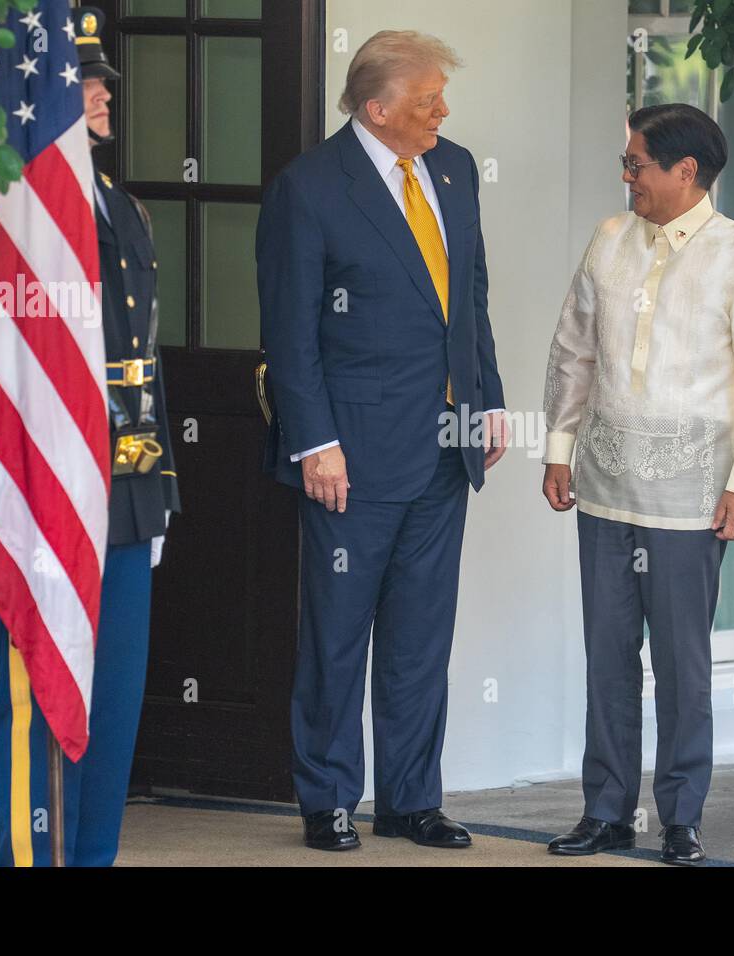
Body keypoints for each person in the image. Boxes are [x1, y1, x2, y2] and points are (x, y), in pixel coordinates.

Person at [256, 30, 507, 852]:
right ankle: (328, 799)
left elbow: (469, 297)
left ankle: (411, 800)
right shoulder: (311, 187)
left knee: (420, 638)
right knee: (338, 634)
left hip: (445, 445)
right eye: (429, 97)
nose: (443, 110)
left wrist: (489, 402)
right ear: (378, 107)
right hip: (352, 457)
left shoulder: (455, 168)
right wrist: (313, 442)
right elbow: (290, 335)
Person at [542, 104, 734, 865]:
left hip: (691, 496)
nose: (627, 177)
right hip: (603, 486)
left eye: (637, 164)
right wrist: (558, 447)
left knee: (681, 666)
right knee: (608, 656)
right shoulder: (610, 239)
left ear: (686, 173)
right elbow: (573, 352)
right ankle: (606, 812)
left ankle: (681, 818)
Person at [0, 6, 180, 866]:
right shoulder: (22, 218)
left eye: (99, 77)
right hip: (47, 488)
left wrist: (157, 491)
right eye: (84, 76)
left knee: (116, 699)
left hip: (128, 493)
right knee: (37, 702)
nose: (99, 91)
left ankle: (93, 857)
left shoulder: (126, 211)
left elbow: (141, 365)